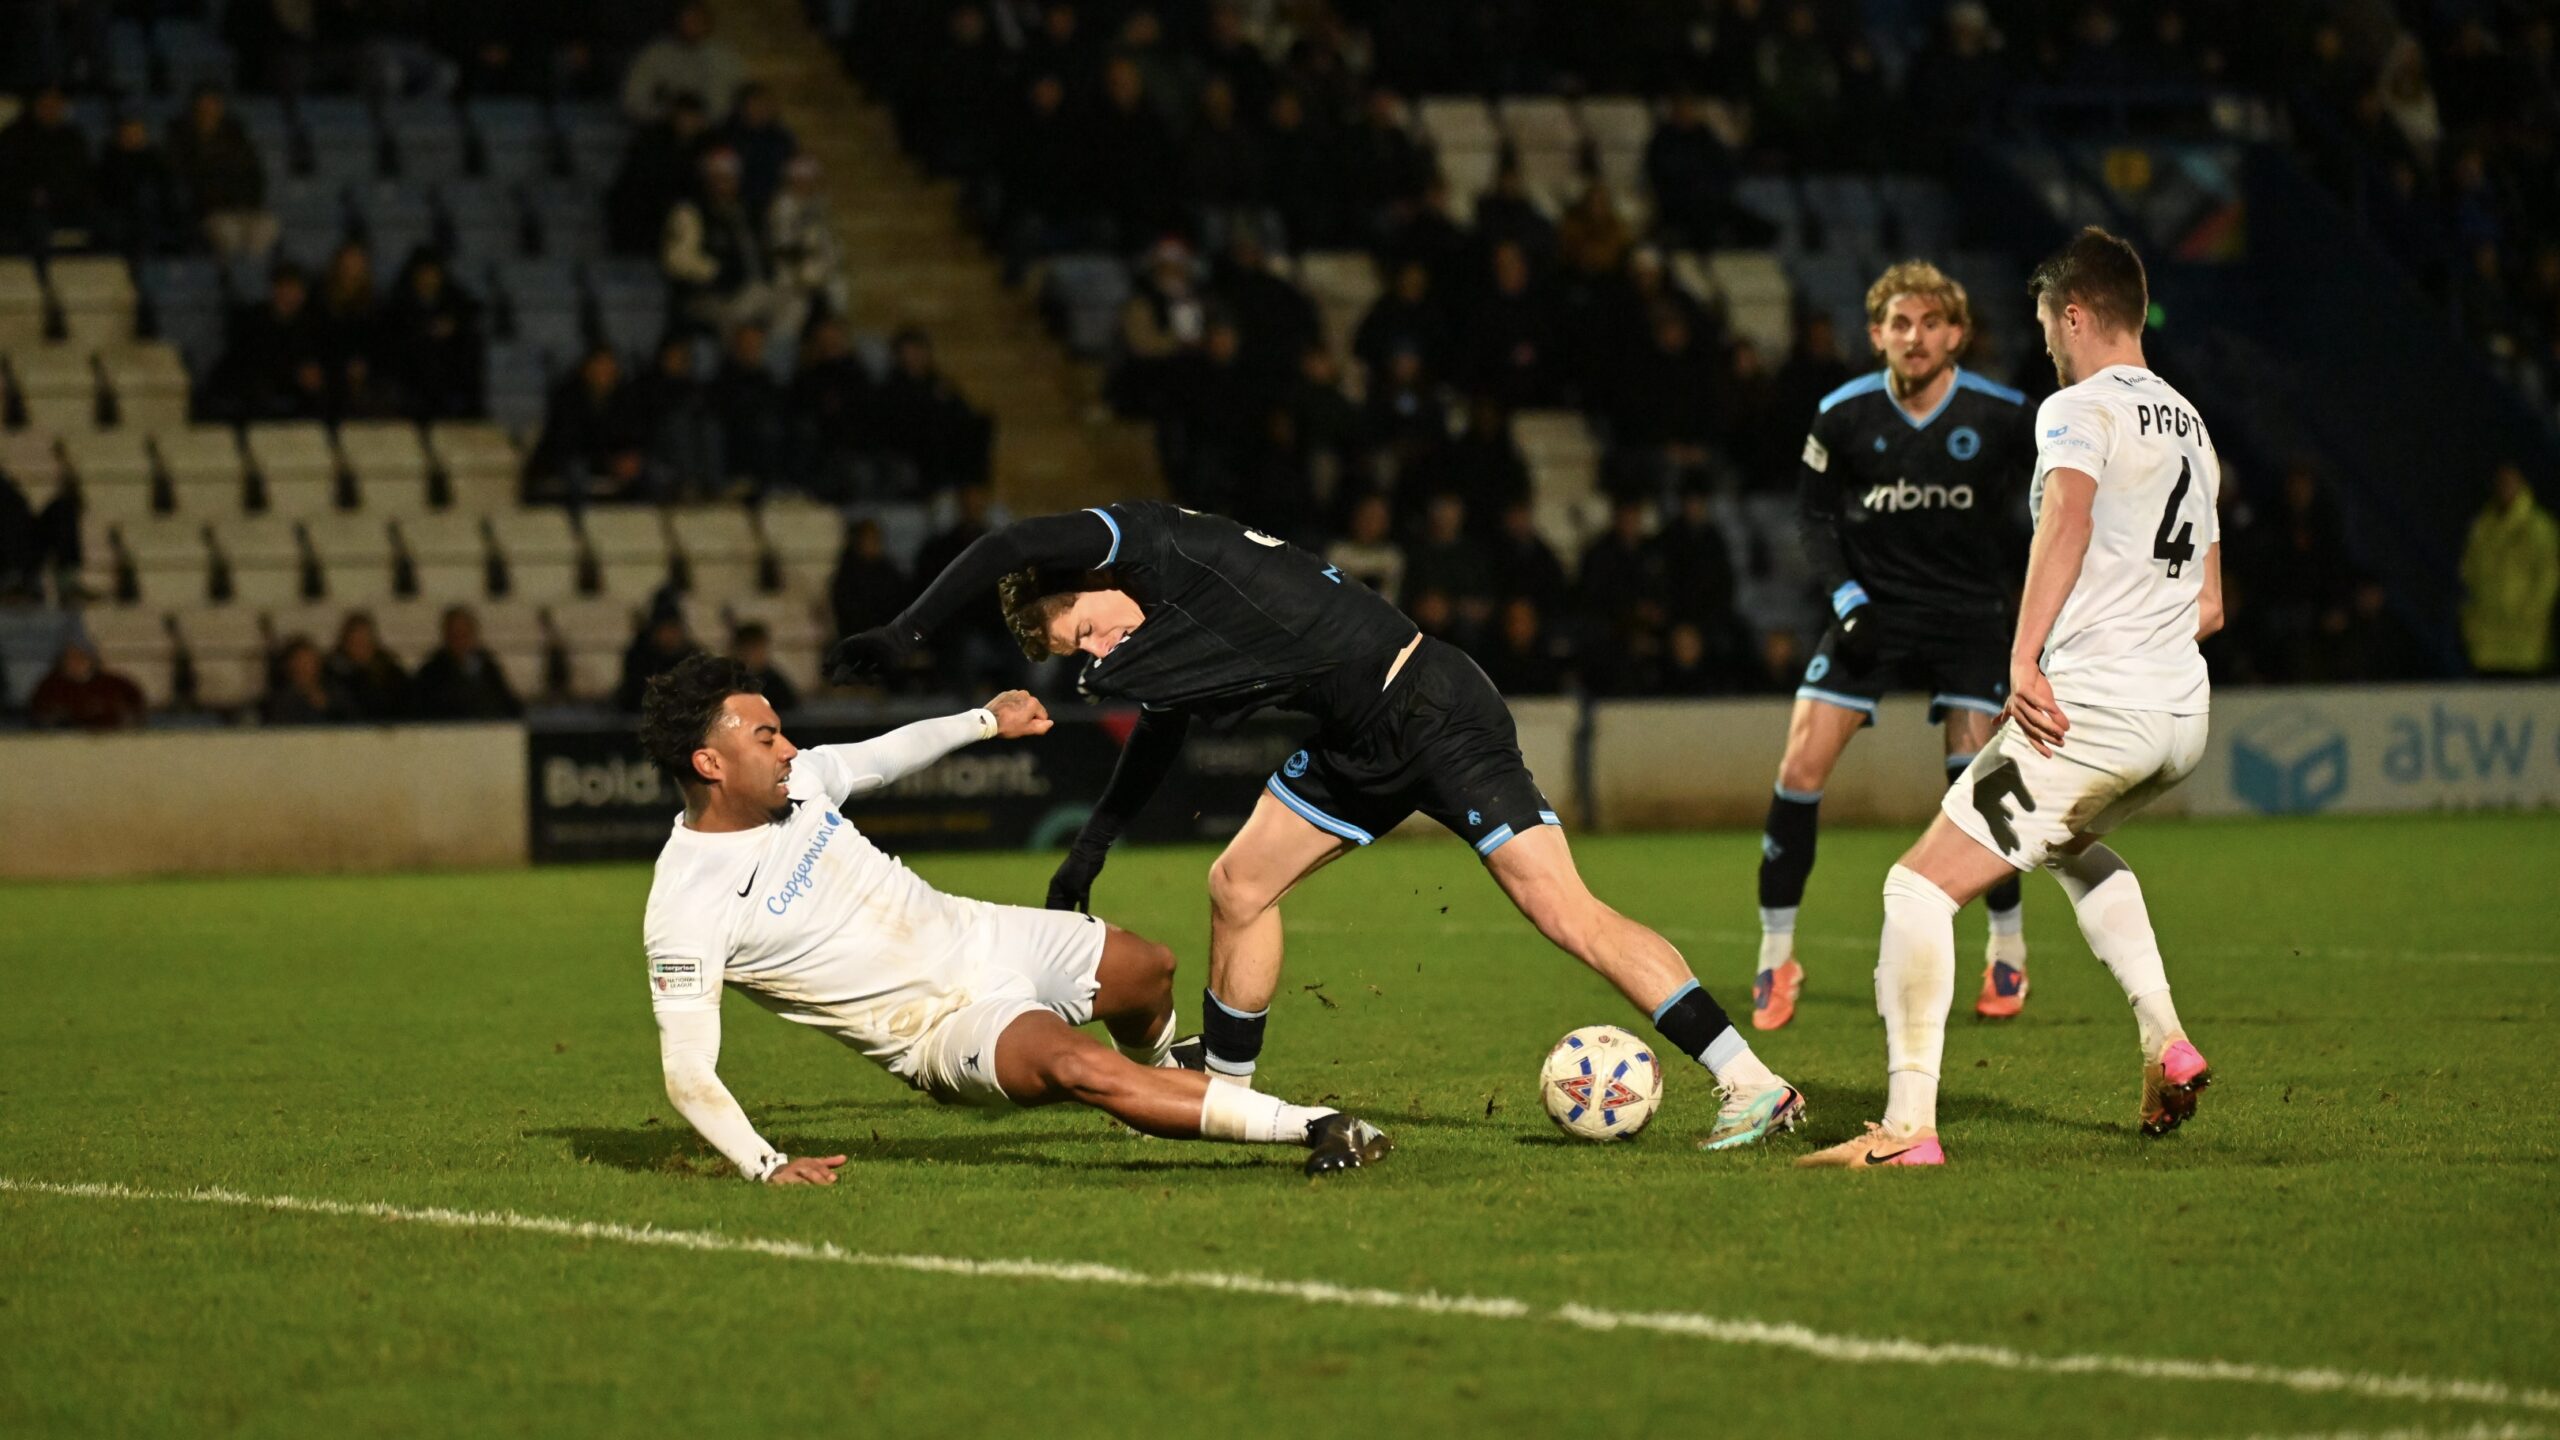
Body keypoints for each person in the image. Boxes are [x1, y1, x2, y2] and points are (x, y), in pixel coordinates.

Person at [826, 503, 1805, 1153]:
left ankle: (1748, 1080)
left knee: (1564, 914)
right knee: (1237, 885)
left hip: (1431, 708)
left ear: (1085, 578)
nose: (1096, 647)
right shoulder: (1168, 618)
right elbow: (1161, 727)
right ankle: (1230, 1092)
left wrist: (907, 631)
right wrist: (1092, 844)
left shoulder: (1144, 541)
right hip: (1355, 739)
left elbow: (1002, 547)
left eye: (1082, 628)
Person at [637, 656, 1392, 1183]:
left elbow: (881, 755)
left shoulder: (801, 783)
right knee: (1079, 1066)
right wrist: (765, 1165)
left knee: (1147, 968)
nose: (789, 749)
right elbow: (687, 1071)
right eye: (767, 738)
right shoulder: (687, 903)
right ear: (710, 764)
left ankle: (1160, 1085)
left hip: (979, 934)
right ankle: (1313, 1124)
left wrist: (986, 721)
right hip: (940, 1028)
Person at [1801, 229, 2223, 1169]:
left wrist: (2026, 660)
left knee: (1915, 889)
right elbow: (2211, 602)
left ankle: (1908, 1129)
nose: (2045, 345)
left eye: (2045, 326)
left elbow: (2066, 518)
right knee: (2070, 848)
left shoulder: (2078, 407)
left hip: (2093, 710)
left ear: (2075, 315)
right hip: (2181, 716)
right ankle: (2167, 1041)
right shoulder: (2192, 423)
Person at [1751, 260, 2036, 1032]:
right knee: (1800, 764)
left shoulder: (2008, 415)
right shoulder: (1841, 415)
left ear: (1959, 335)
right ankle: (1776, 959)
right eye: (1900, 323)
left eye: (1932, 323)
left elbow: (2060, 501)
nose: (1916, 337)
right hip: (1871, 611)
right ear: (1876, 333)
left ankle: (2006, 950)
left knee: (1976, 778)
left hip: (1969, 614)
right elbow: (1813, 520)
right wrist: (1846, 600)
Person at [2459, 462, 2557, 677]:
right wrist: (2471, 619)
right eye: (2501, 483)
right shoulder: (2482, 526)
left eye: (2510, 482)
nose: (2504, 488)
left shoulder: (2539, 527)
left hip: (2526, 640)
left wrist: (2530, 614)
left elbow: (2549, 576)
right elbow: (2468, 573)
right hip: (2487, 640)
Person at [164, 84, 276, 259]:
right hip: (208, 211)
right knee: (227, 232)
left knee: (266, 227)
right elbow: (186, 178)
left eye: (214, 103)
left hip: (244, 208)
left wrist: (249, 202)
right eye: (204, 103)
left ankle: (251, 275)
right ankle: (229, 277)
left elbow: (254, 175)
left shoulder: (236, 135)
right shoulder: (181, 136)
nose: (209, 108)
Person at [410, 606, 524, 720]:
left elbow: (506, 702)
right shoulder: (431, 671)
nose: (460, 640)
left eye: (465, 634)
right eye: (454, 635)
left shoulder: (488, 667)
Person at [30, 640, 144, 730]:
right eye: (70, 658)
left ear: (91, 659)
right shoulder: (49, 687)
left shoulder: (117, 684)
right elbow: (42, 717)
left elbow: (136, 711)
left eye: (81, 656)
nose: (76, 662)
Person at [326, 611, 408, 720]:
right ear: (345, 643)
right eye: (355, 642)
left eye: (364, 640)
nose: (360, 646)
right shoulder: (332, 674)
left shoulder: (390, 672)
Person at [262, 635, 352, 725]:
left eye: (309, 661)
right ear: (290, 666)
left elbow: (352, 721)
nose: (305, 667)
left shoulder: (335, 692)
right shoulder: (282, 701)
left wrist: (328, 706)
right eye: (301, 662)